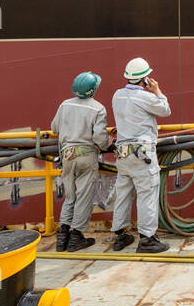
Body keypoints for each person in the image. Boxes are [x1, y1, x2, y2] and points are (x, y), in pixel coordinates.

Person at [110, 57, 170, 253]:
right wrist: (157, 91)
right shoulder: (146, 97)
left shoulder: (117, 96)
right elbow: (165, 110)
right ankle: (146, 240)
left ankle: (120, 237)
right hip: (142, 154)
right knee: (147, 193)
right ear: (145, 79)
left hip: (122, 154)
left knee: (123, 193)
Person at [50, 71, 111, 252]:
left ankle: (62, 237)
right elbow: (100, 138)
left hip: (67, 155)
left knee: (71, 196)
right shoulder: (98, 108)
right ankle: (76, 238)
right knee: (84, 197)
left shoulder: (64, 105)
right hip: (86, 156)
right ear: (93, 89)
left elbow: (54, 128)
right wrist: (108, 145)